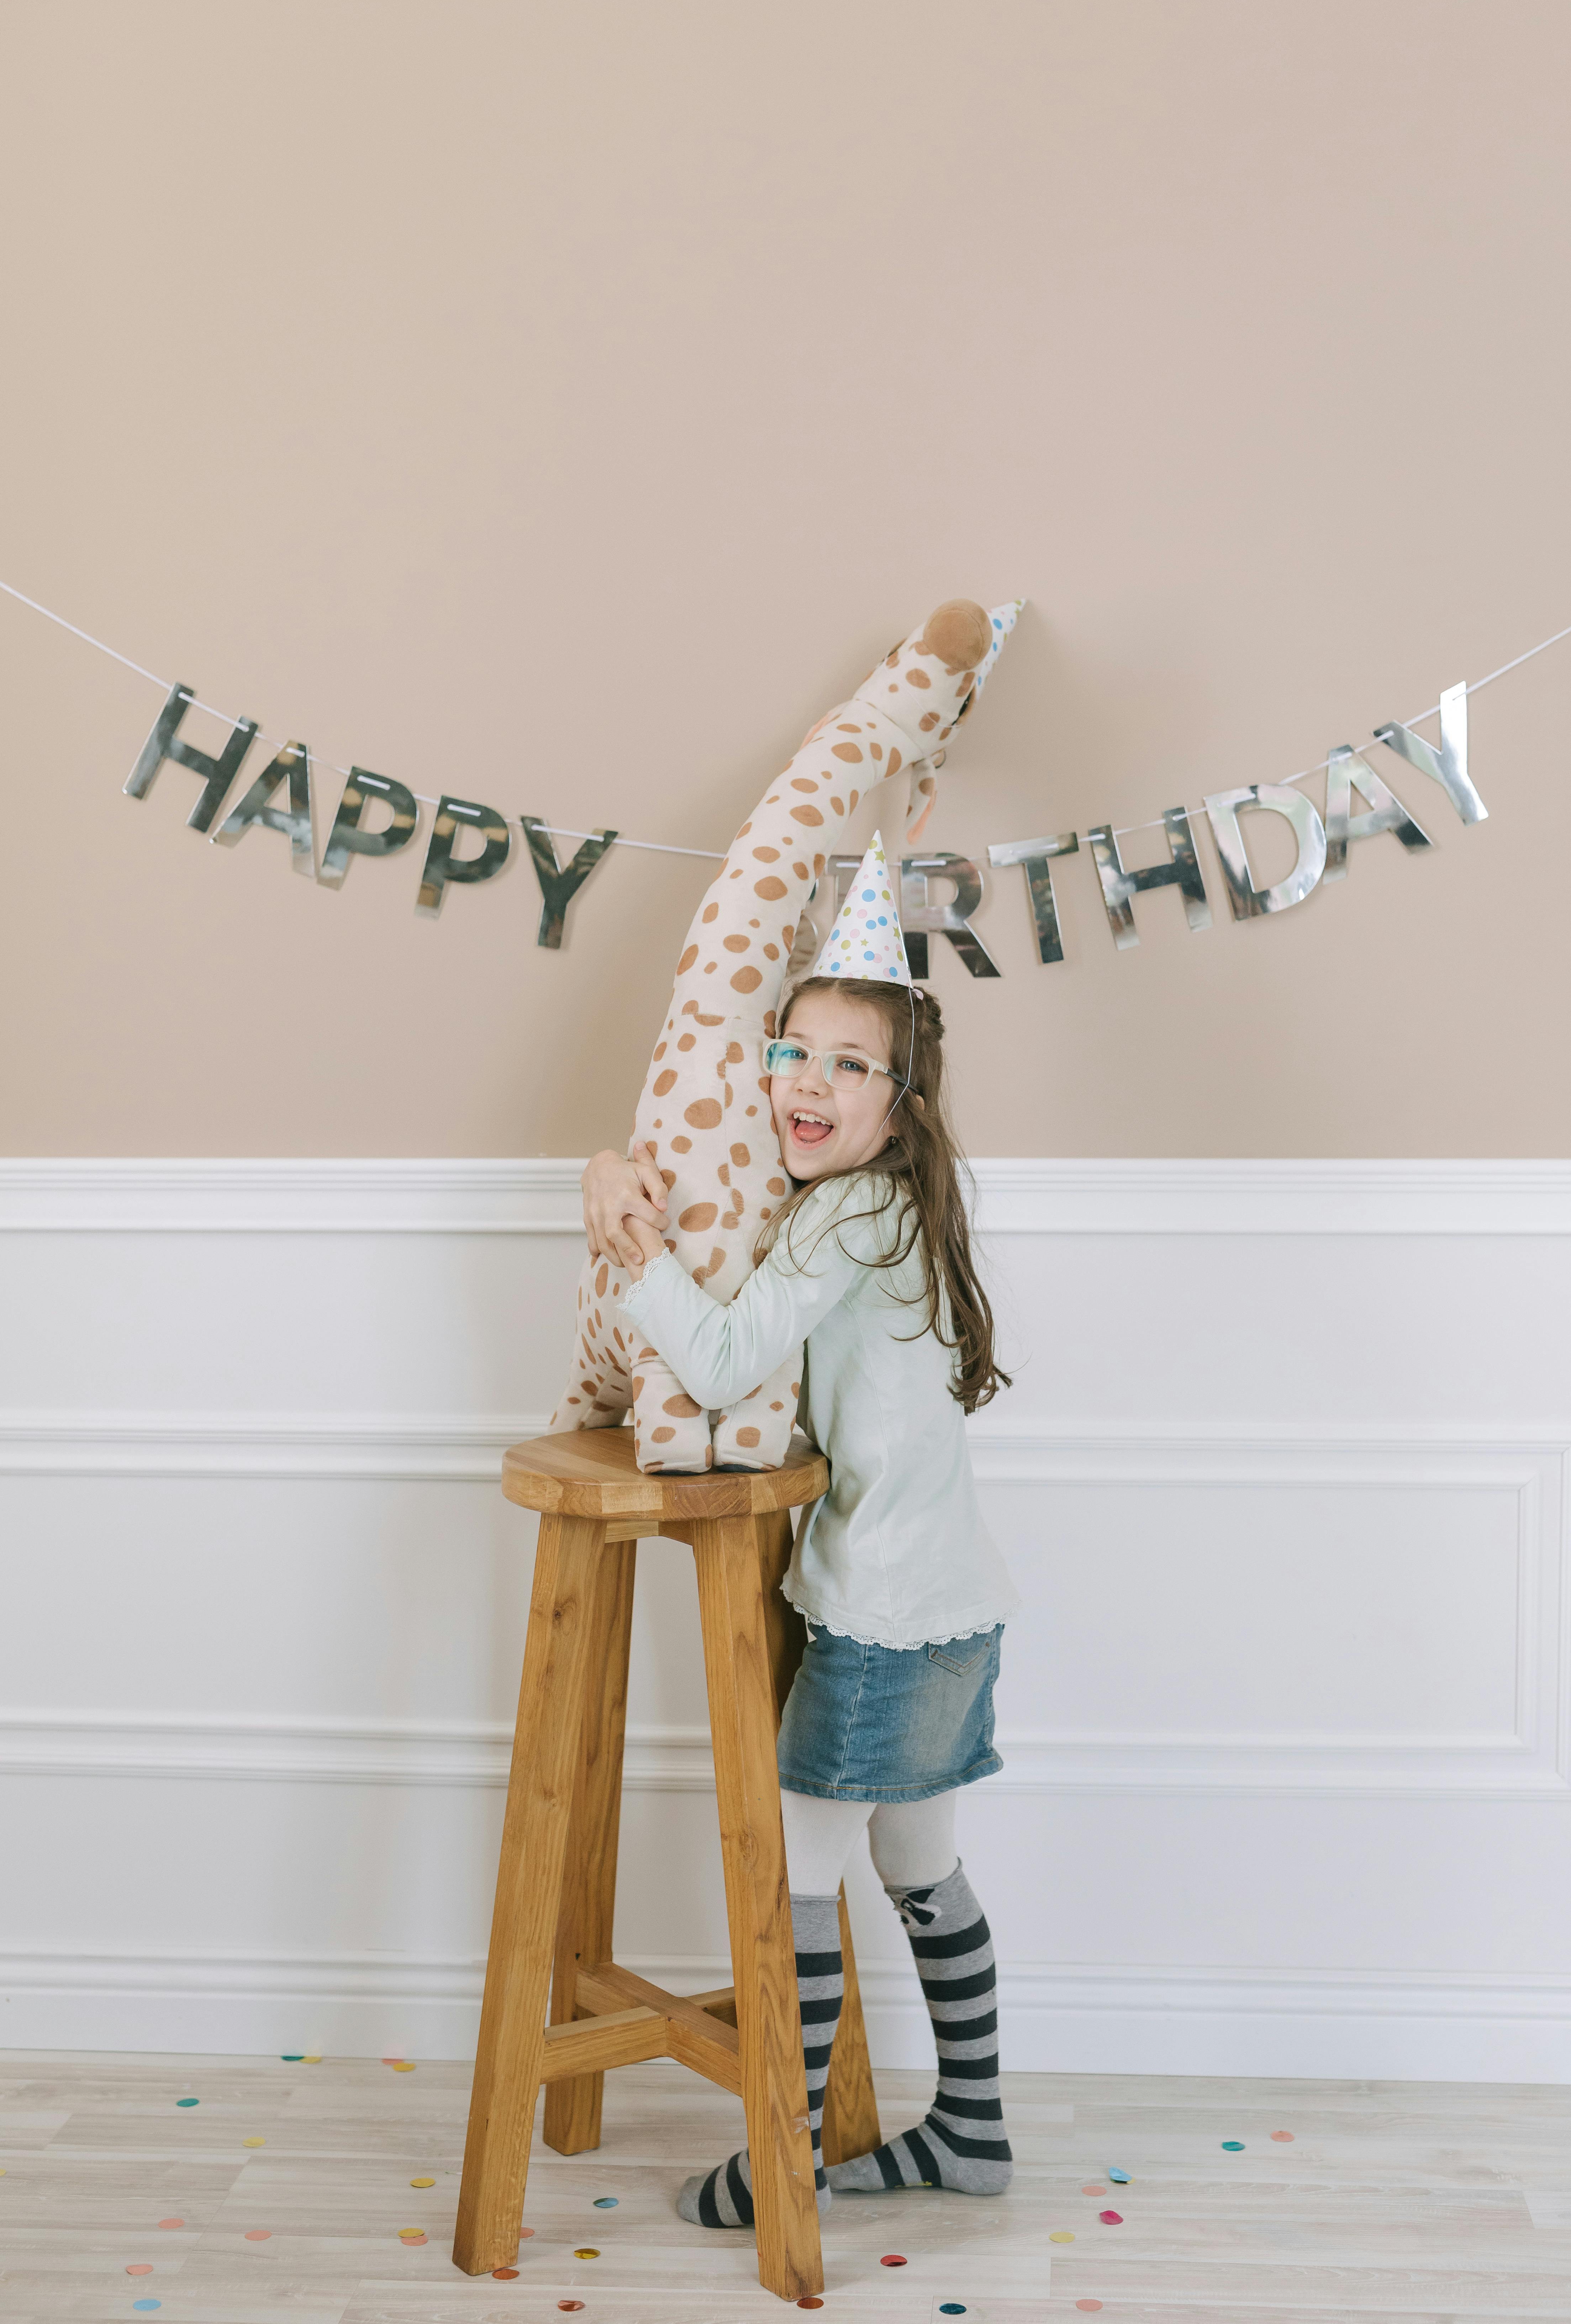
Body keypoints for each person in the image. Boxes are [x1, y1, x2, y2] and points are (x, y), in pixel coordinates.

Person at [579, 882, 1024, 2232]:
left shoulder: (843, 1219)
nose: (811, 1085)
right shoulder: (899, 1205)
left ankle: (783, 2151)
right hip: (956, 1607)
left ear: (903, 1099)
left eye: (851, 1064)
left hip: (885, 1617)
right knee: (921, 1873)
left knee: (791, 1881)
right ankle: (973, 2134)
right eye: (795, 1054)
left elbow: (718, 1358)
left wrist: (626, 1226)